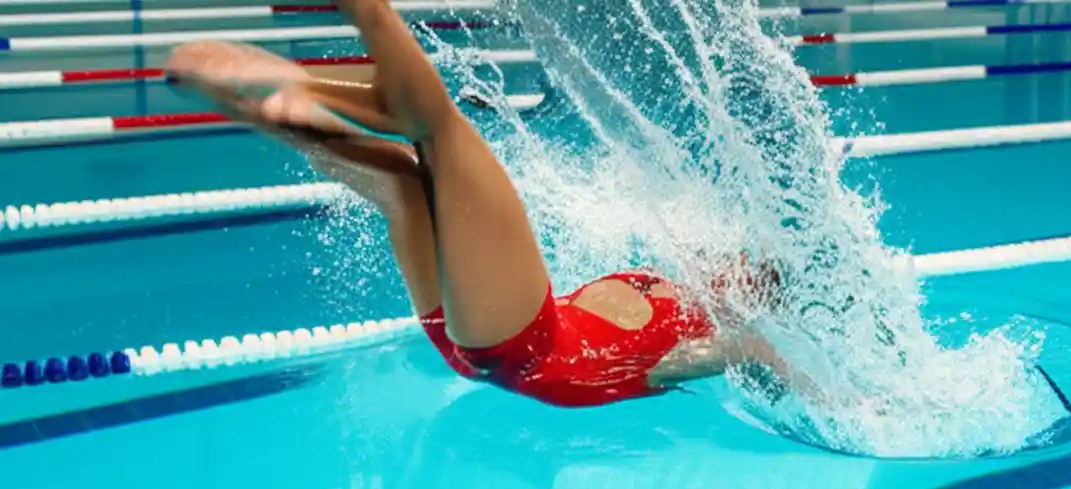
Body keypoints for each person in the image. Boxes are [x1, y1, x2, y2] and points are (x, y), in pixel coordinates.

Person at [166, 0, 792, 408]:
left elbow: (752, 353)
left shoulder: (707, 336)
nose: (737, 260)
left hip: (520, 346)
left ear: (753, 296)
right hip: (475, 339)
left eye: (753, 270)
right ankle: (268, 109)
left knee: (440, 132)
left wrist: (841, 407)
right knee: (407, 186)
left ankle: (363, 20)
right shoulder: (669, 284)